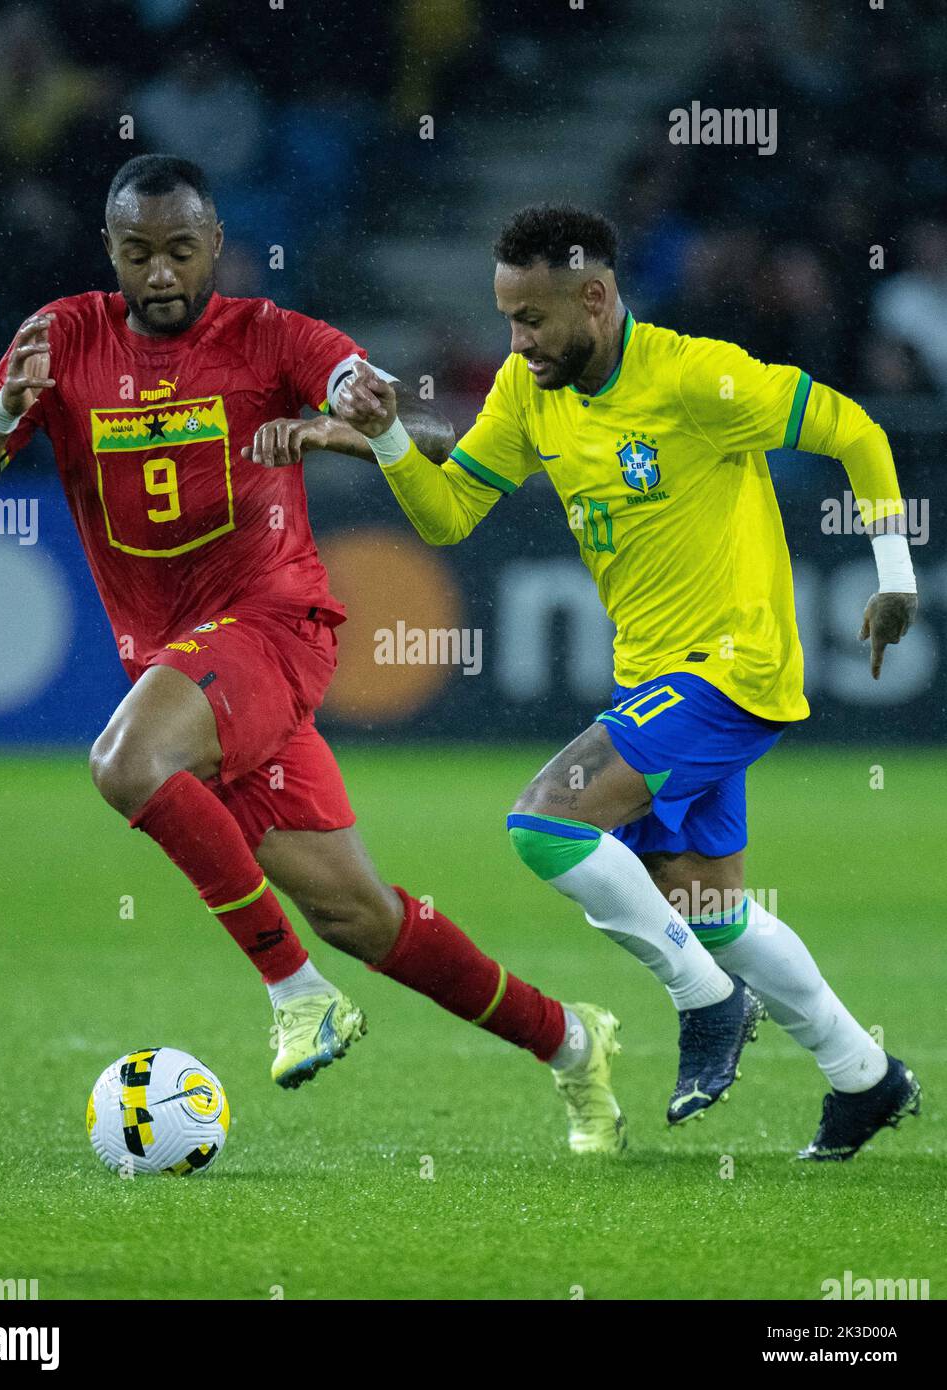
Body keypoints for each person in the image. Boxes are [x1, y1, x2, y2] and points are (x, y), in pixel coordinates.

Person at [0, 160, 626, 1156]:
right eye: (137, 253)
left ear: (215, 245)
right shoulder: (64, 339)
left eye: (179, 249)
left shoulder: (272, 338)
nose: (159, 272)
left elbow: (429, 433)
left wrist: (367, 425)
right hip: (185, 672)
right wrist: (3, 414)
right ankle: (568, 1042)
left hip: (273, 627)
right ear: (110, 252)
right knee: (360, 914)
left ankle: (298, 996)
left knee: (125, 763)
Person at [334, 203, 922, 1159]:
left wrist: (894, 575)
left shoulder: (697, 376)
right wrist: (394, 439)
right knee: (707, 909)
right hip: (653, 676)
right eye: (505, 318)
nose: (515, 342)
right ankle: (865, 1076)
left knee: (545, 823)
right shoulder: (532, 396)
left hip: (732, 667)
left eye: (530, 320)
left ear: (596, 298)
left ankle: (707, 1005)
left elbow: (852, 428)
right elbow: (448, 516)